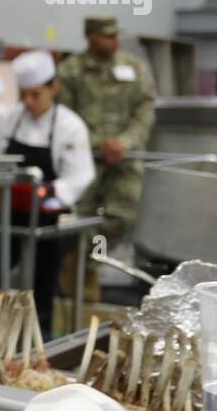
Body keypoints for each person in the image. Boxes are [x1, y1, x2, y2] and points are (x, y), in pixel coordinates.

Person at [0, 50, 95, 336]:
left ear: (54, 87)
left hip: (45, 220)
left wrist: (48, 191)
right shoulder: (8, 120)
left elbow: (80, 175)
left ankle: (39, 344)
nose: (29, 102)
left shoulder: (70, 127)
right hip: (5, 215)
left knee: (40, 286)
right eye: (24, 95)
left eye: (36, 95)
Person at [55, 16, 155, 256]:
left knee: (124, 216)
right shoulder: (70, 71)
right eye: (107, 36)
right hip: (83, 156)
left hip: (124, 156)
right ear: (91, 37)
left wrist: (125, 141)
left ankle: (86, 263)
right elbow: (63, 118)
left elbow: (144, 108)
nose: (114, 40)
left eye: (115, 35)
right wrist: (100, 143)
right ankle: (77, 270)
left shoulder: (133, 67)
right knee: (77, 216)